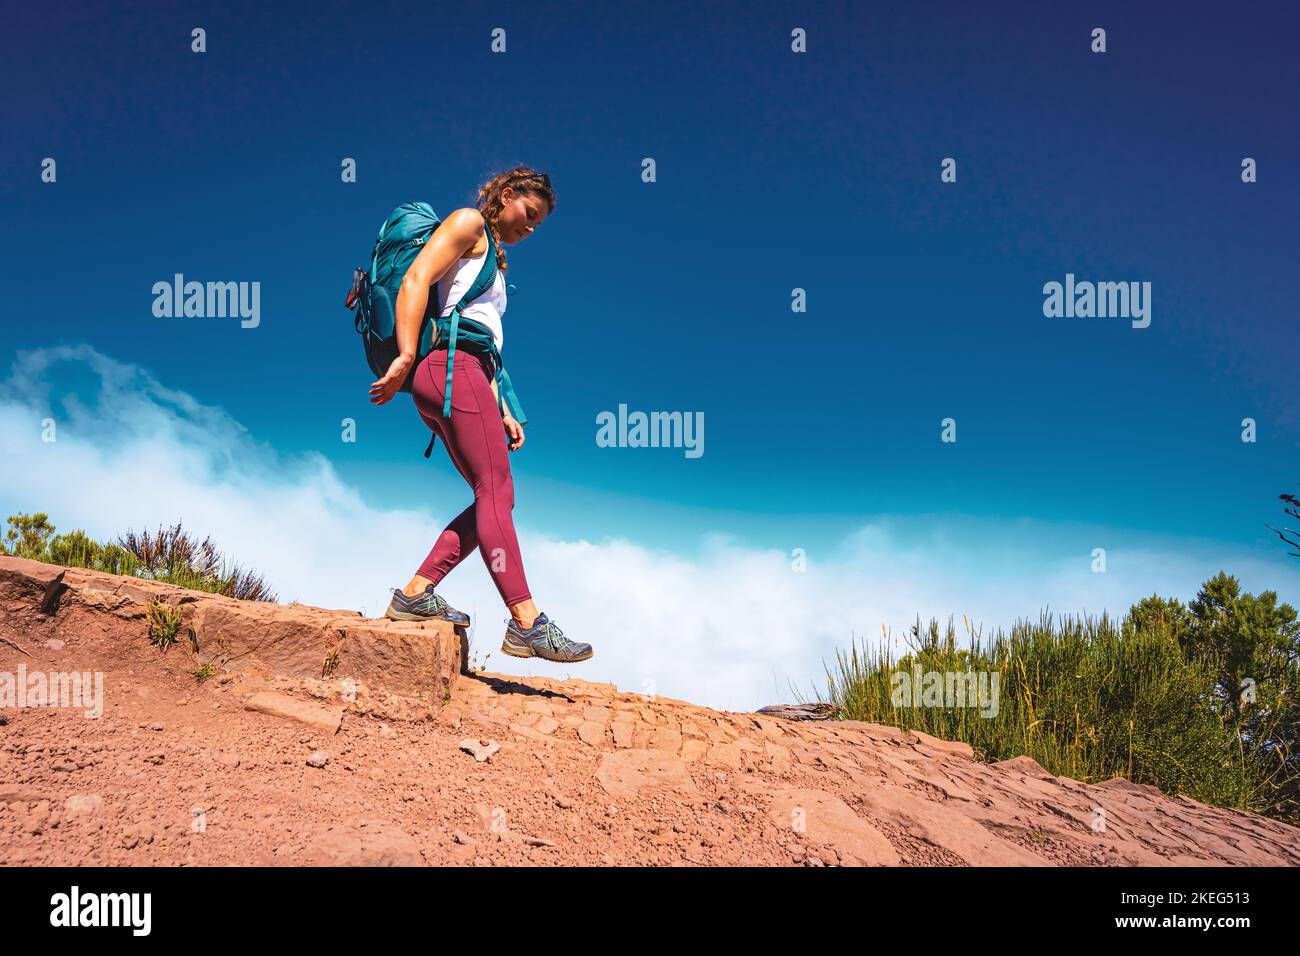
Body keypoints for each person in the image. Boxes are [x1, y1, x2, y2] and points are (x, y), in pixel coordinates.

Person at [368, 167, 592, 664]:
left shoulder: (494, 257)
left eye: (538, 224)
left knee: (495, 495)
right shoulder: (469, 222)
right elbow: (416, 279)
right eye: (528, 215)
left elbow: (480, 337)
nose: (530, 228)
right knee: (497, 492)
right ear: (506, 195)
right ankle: (527, 622)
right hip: (448, 370)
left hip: (462, 374)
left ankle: (415, 593)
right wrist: (405, 355)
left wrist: (503, 407)